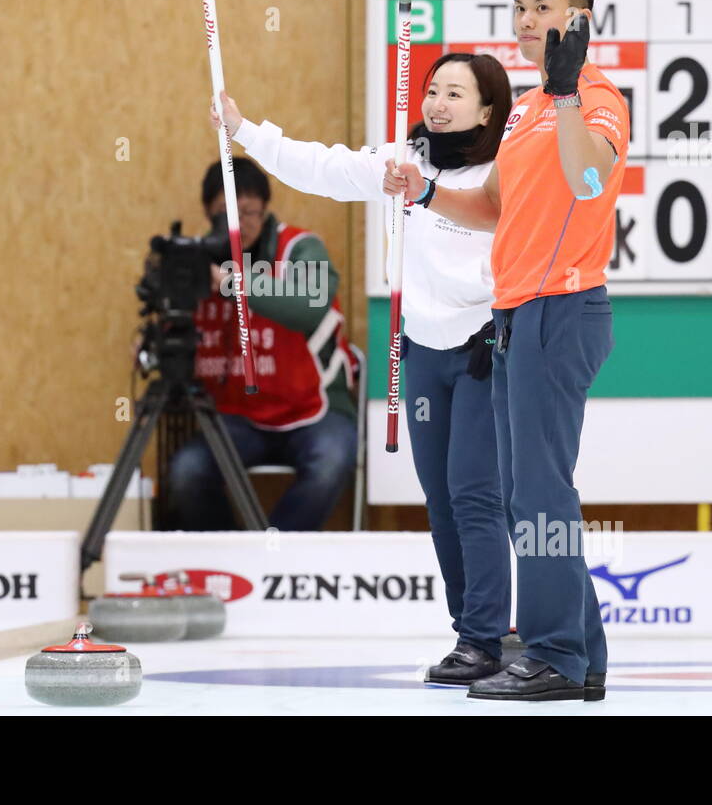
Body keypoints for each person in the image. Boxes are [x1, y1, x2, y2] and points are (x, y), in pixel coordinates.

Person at [213, 53, 516, 685]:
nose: (437, 102)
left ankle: (488, 635)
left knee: (475, 494)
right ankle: (473, 635)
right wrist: (245, 130)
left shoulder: (503, 170)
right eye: (432, 90)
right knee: (439, 499)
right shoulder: (400, 160)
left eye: (454, 94)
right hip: (422, 351)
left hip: (485, 348)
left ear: (487, 110)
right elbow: (320, 166)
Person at [385, 0, 628, 701]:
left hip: (564, 306)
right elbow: (493, 208)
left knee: (540, 492)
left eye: (543, 8)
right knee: (529, 490)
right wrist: (426, 192)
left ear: (579, 19)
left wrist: (561, 97)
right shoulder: (521, 109)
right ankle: (582, 655)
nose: (526, 21)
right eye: (520, 7)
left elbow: (590, 180)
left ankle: (554, 652)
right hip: (515, 312)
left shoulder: (595, 99)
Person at [167, 157, 357, 532]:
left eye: (250, 212)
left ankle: (272, 561)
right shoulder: (197, 258)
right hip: (238, 416)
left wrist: (228, 282)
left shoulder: (300, 248)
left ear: (266, 208)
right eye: (226, 212)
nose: (240, 224)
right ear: (208, 211)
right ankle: (230, 561)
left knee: (331, 462)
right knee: (187, 472)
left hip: (313, 410)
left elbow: (310, 305)